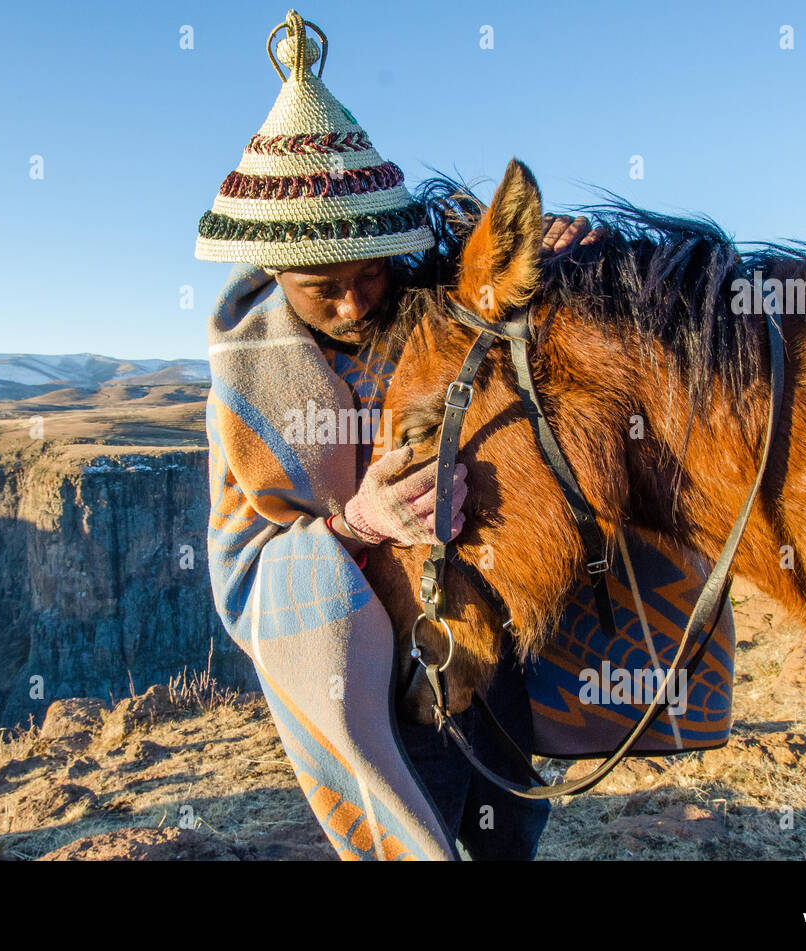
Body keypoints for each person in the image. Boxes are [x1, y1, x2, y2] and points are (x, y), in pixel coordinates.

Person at [195, 10, 600, 860]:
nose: (355, 303)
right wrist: (358, 524)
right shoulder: (247, 396)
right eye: (323, 288)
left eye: (371, 271)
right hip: (382, 677)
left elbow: (508, 293)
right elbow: (243, 579)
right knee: (416, 830)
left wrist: (563, 254)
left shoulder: (440, 305)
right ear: (275, 273)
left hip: (498, 650)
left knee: (510, 828)